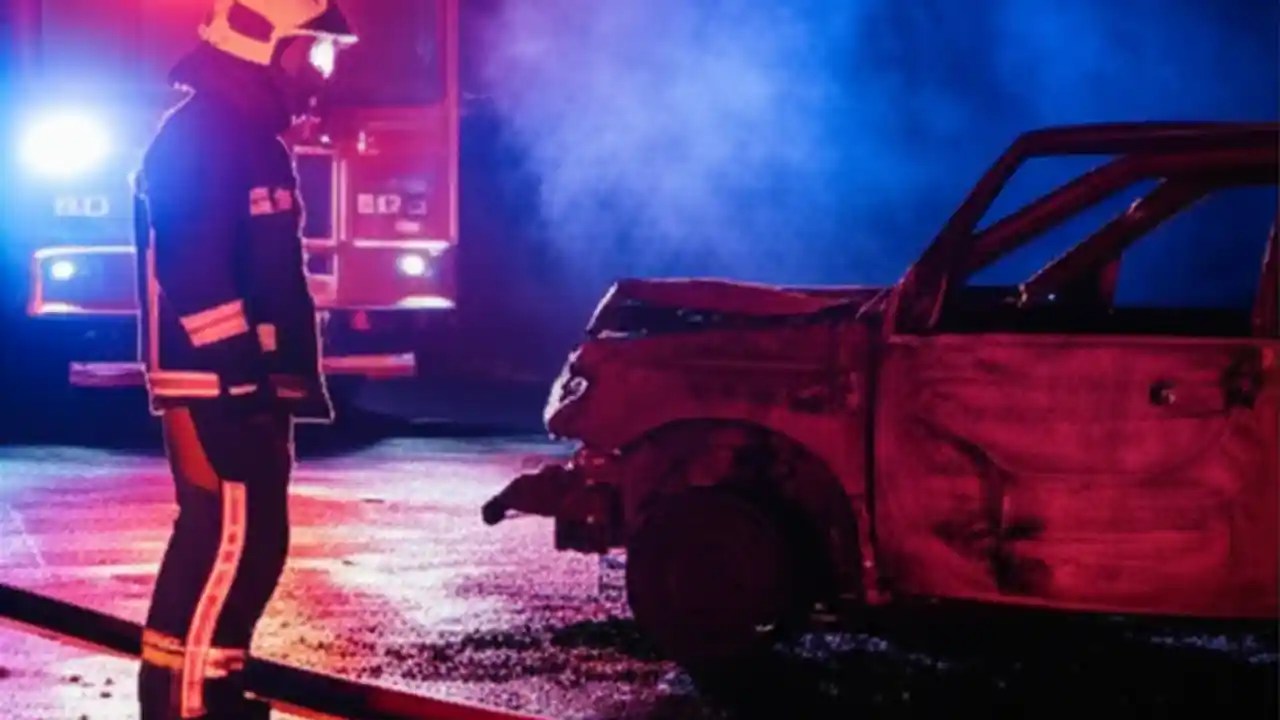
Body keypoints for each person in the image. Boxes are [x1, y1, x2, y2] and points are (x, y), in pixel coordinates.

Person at [133, 2, 355, 717]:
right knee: (219, 541)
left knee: (255, 546)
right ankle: (184, 707)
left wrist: (279, 377)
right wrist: (236, 371)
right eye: (311, 53)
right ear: (261, 45)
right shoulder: (197, 137)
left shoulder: (252, 140)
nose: (319, 71)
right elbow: (194, 270)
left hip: (250, 383)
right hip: (215, 380)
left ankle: (217, 693)